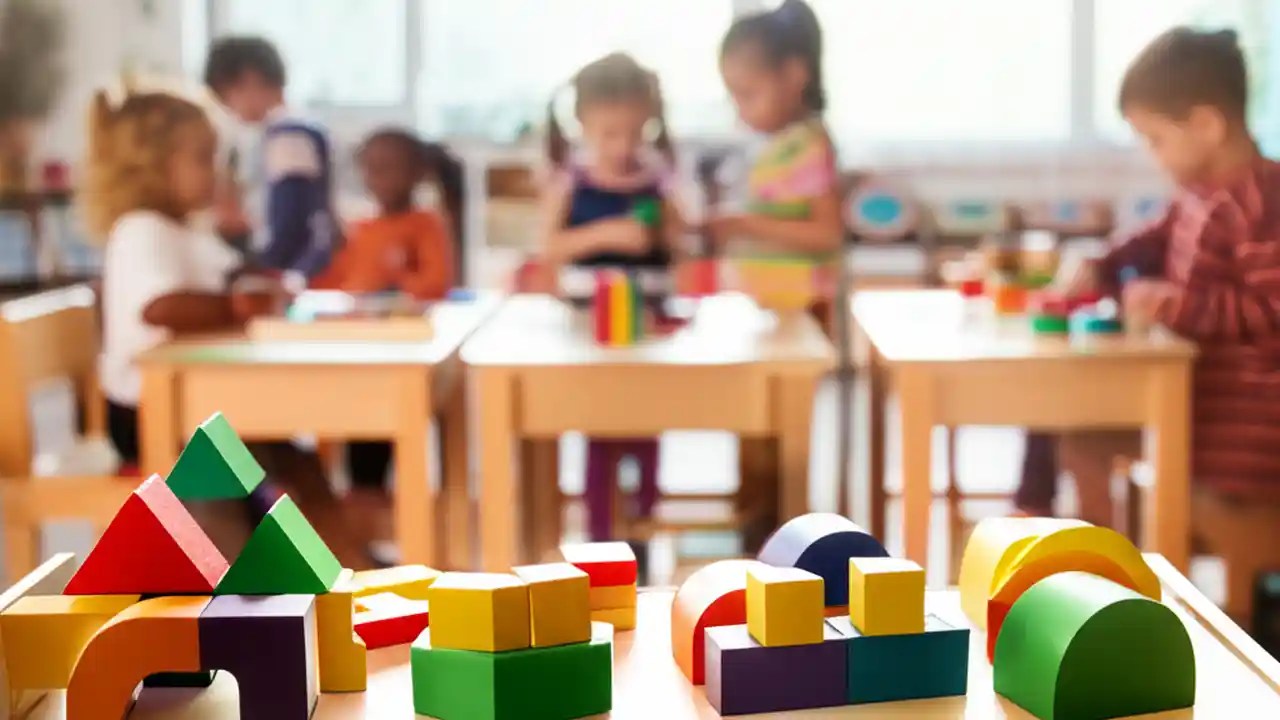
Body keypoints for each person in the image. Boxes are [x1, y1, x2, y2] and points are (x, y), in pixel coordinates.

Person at [1049, 28, 1280, 525]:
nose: (1151, 154)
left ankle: (1120, 576)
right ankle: (1103, 573)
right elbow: (1152, 236)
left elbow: (1273, 310)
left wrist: (1179, 306)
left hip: (1247, 429)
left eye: (1155, 139)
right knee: (1080, 438)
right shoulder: (1199, 193)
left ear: (1205, 125)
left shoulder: (1262, 200)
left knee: (1089, 439)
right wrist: (1099, 261)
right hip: (1195, 404)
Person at [538, 52, 679, 542]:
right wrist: (605, 235)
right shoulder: (571, 180)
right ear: (582, 125)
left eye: (634, 134)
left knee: (647, 427)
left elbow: (679, 243)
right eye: (608, 135)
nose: (622, 147)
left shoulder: (658, 176)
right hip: (588, 323)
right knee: (599, 429)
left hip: (649, 321)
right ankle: (600, 540)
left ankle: (642, 529)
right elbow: (550, 247)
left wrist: (667, 231)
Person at [85, 82, 262, 465]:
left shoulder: (189, 229)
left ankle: (317, 522)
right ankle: (222, 526)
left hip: (195, 400)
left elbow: (234, 274)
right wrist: (237, 308)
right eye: (203, 159)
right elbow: (161, 308)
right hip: (147, 410)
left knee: (282, 453)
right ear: (152, 168)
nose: (214, 173)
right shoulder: (140, 230)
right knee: (245, 465)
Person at [311, 128, 462, 556]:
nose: (381, 178)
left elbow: (437, 283)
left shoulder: (425, 224)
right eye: (372, 169)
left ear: (416, 173)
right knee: (352, 435)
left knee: (382, 438)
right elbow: (335, 281)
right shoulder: (359, 228)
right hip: (357, 355)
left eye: (391, 168)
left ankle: (380, 524)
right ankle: (354, 527)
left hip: (403, 357)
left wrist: (395, 281)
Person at [714, 0, 844, 320]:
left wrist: (745, 225)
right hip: (773, 310)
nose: (740, 110)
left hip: (799, 310)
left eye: (748, 94)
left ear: (794, 76)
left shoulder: (808, 146)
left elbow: (827, 234)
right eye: (733, 97)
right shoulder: (781, 147)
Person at [204, 36, 337, 278]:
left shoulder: (289, 136)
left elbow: (291, 221)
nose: (229, 110)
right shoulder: (278, 133)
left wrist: (264, 271)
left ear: (250, 79)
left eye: (227, 96)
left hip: (297, 268)